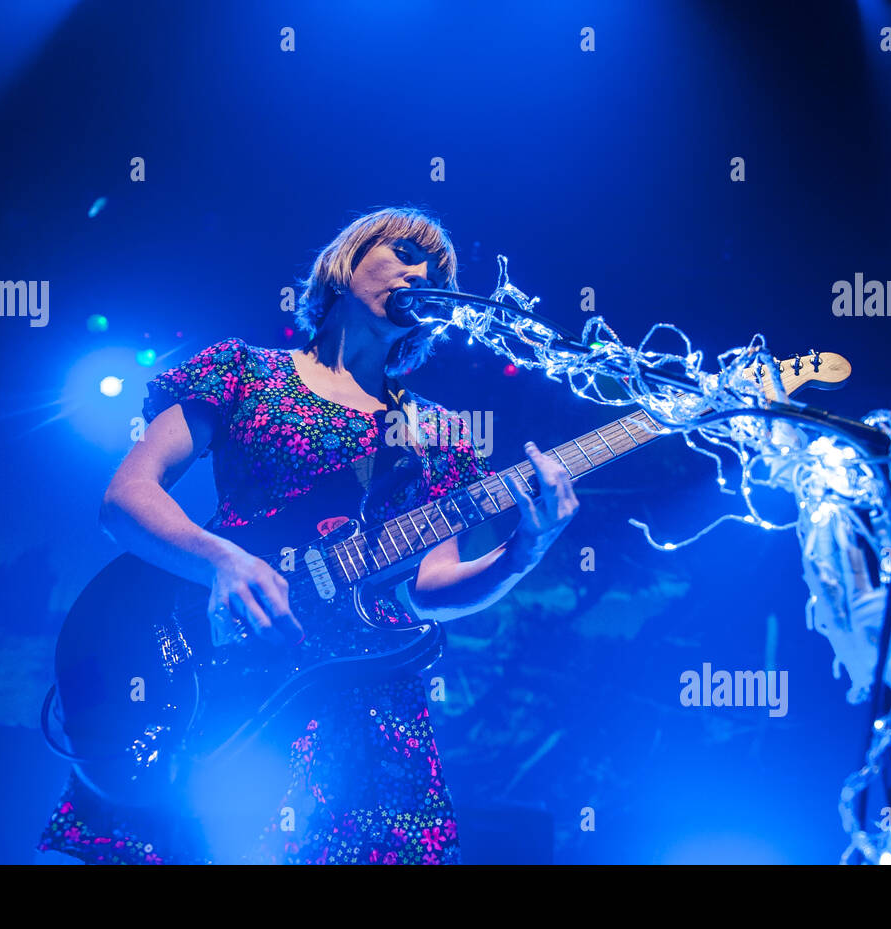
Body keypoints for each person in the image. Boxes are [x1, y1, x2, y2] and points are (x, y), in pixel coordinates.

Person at [36, 206, 578, 864]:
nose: (422, 271)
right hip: (217, 669)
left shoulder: (436, 432)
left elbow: (432, 588)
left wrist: (525, 550)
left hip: (364, 705)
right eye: (405, 251)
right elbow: (126, 498)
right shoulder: (243, 371)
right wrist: (221, 561)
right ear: (345, 261)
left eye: (435, 269)